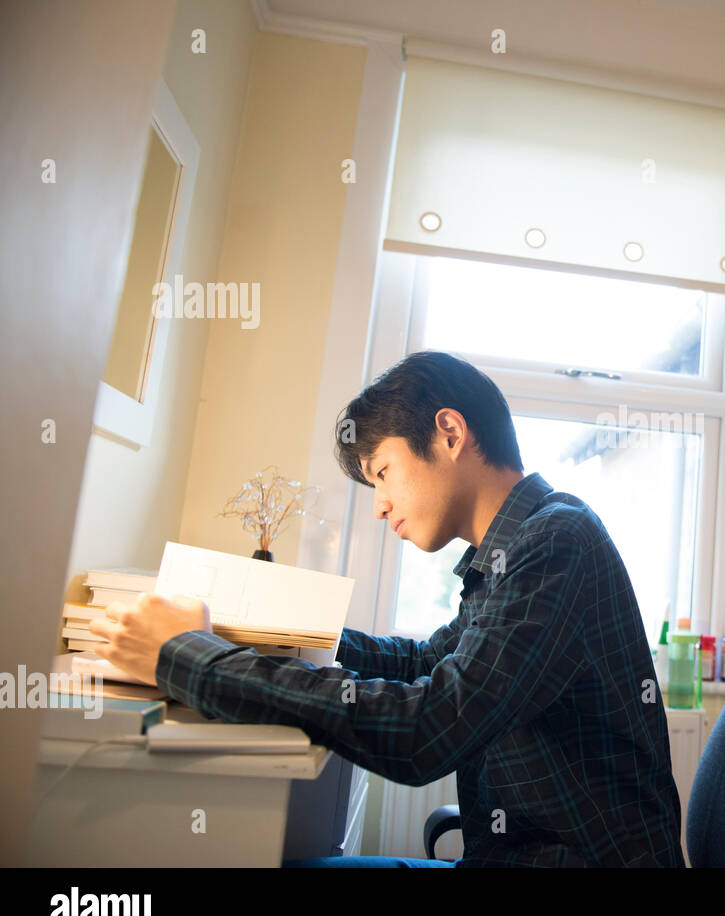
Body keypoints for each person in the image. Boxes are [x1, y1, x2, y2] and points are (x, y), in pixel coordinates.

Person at [90, 350, 685, 868]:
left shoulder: (555, 543)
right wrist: (275, 632)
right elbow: (425, 662)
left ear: (449, 433)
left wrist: (189, 657)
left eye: (382, 473)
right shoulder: (517, 547)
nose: (379, 505)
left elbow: (429, 727)